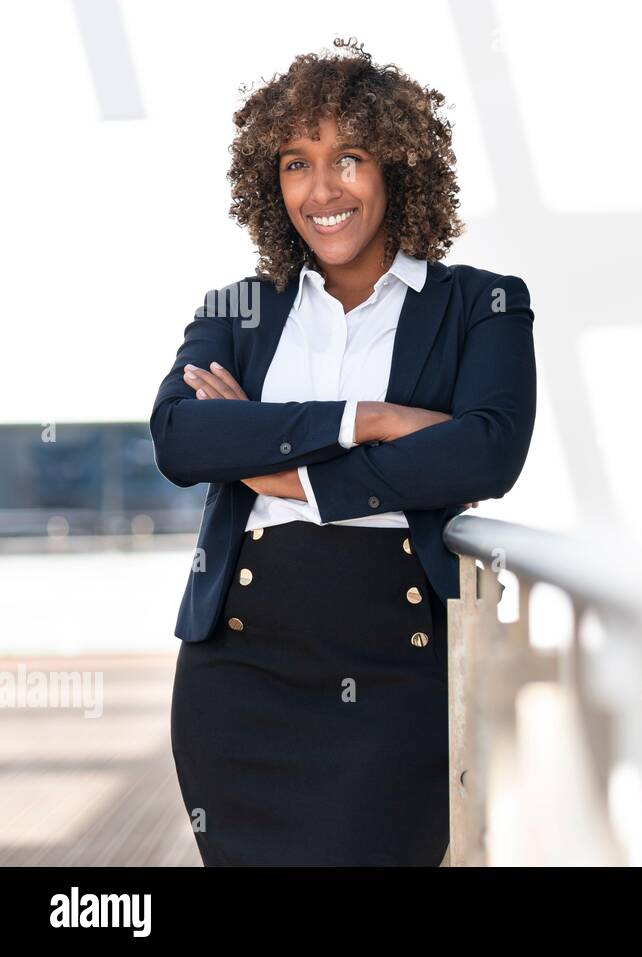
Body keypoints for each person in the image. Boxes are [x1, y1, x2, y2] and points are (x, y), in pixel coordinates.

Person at [151, 38, 536, 866]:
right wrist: (373, 417)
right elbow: (182, 436)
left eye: (348, 157)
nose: (321, 190)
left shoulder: (484, 304)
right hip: (237, 675)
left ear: (398, 165)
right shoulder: (240, 309)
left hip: (397, 677)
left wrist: (277, 465)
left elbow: (488, 452)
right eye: (296, 163)